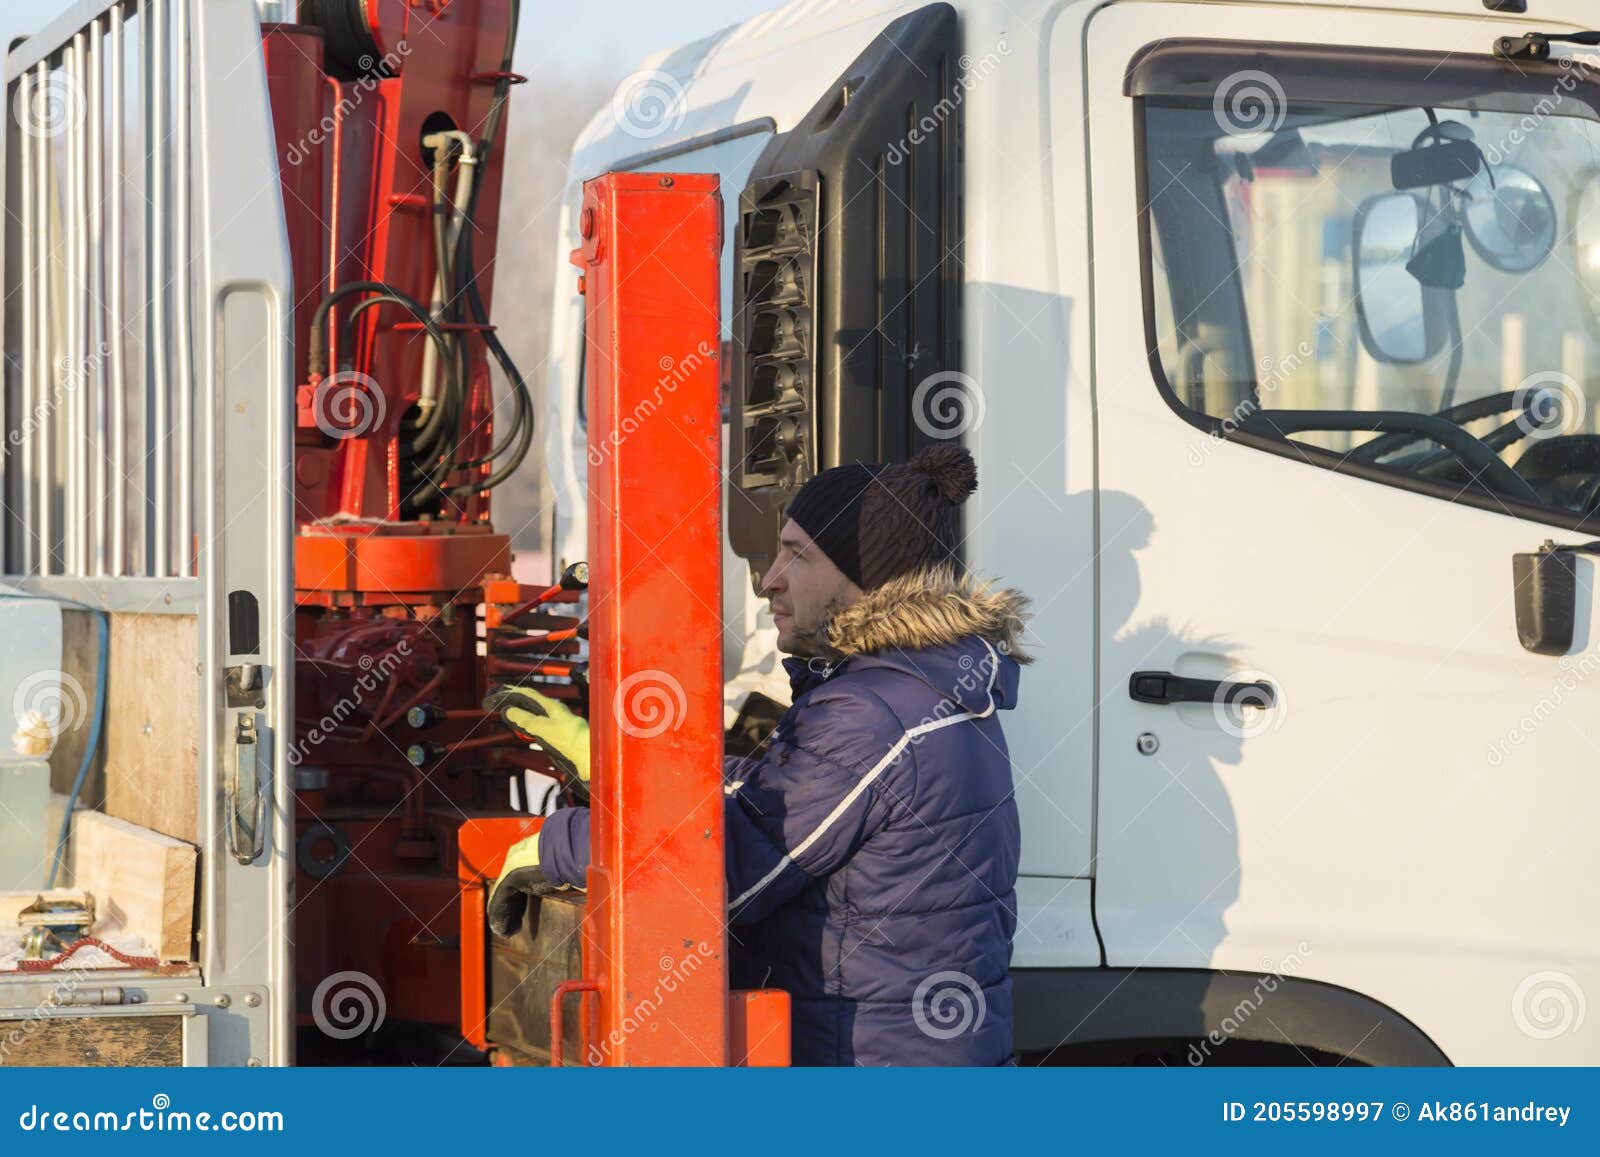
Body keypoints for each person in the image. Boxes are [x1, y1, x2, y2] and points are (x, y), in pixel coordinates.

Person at [486, 443, 1029, 1065]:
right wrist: (620, 773)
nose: (771, 577)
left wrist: (558, 843)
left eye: (798, 554)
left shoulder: (874, 712)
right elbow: (777, 800)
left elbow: (721, 878)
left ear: (866, 577)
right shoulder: (916, 688)